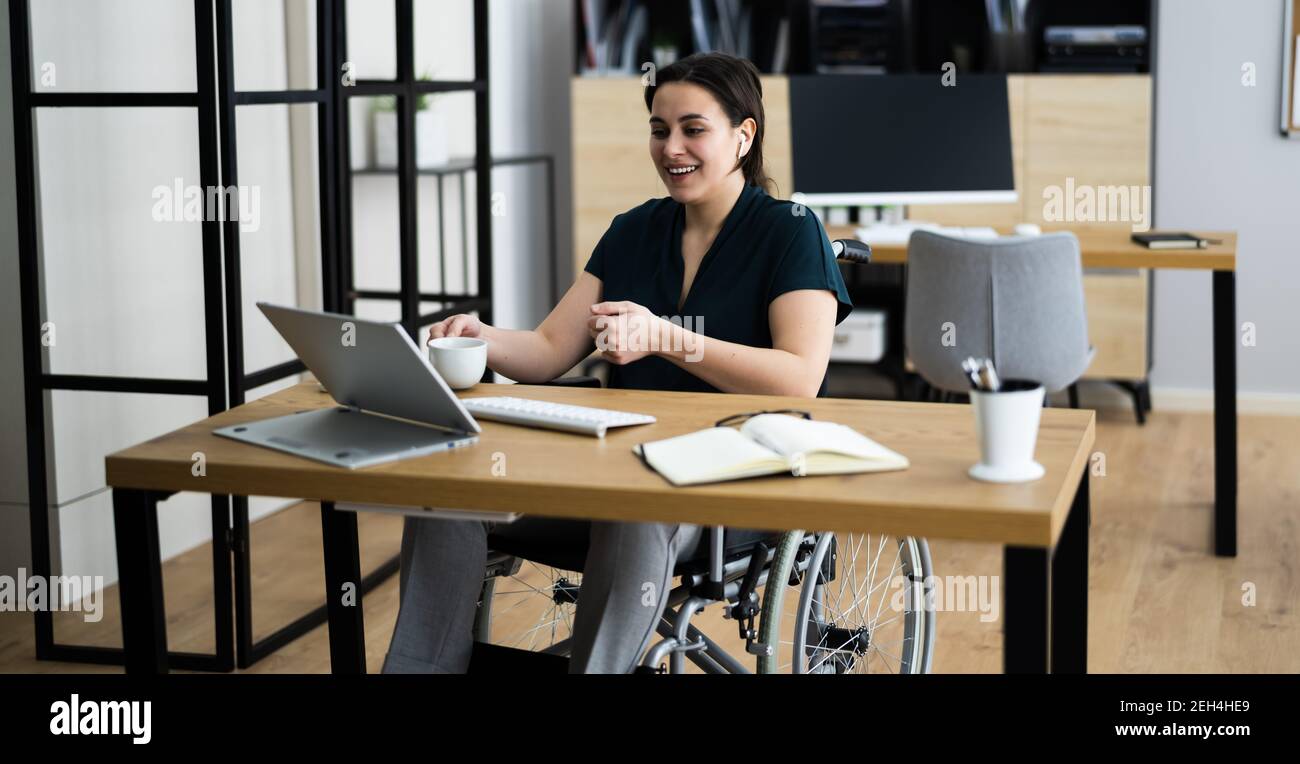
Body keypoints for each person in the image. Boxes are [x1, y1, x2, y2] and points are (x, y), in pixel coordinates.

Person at [382, 51, 853, 674]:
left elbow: (799, 379)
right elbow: (550, 351)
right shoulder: (633, 230)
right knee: (448, 497)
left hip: (732, 485)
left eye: (693, 128)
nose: (671, 147)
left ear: (744, 135)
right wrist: (482, 335)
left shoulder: (792, 231)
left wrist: (666, 338)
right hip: (616, 472)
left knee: (638, 510)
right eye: (659, 130)